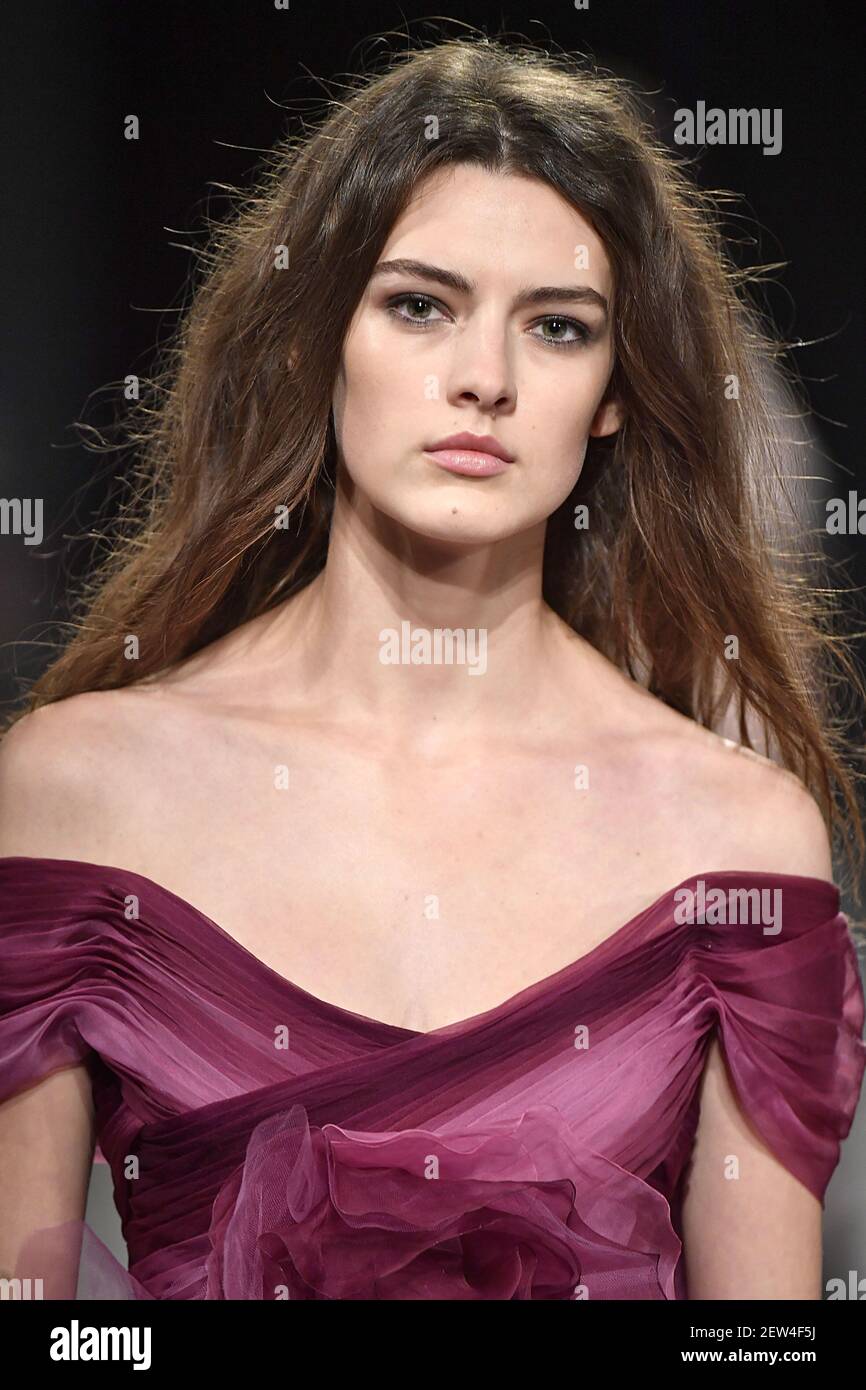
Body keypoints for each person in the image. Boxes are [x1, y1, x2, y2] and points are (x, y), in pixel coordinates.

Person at [0, 34, 864, 1301]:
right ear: (314, 338)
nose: (484, 380)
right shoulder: (83, 789)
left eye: (557, 329)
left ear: (615, 392)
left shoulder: (731, 841)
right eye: (419, 305)